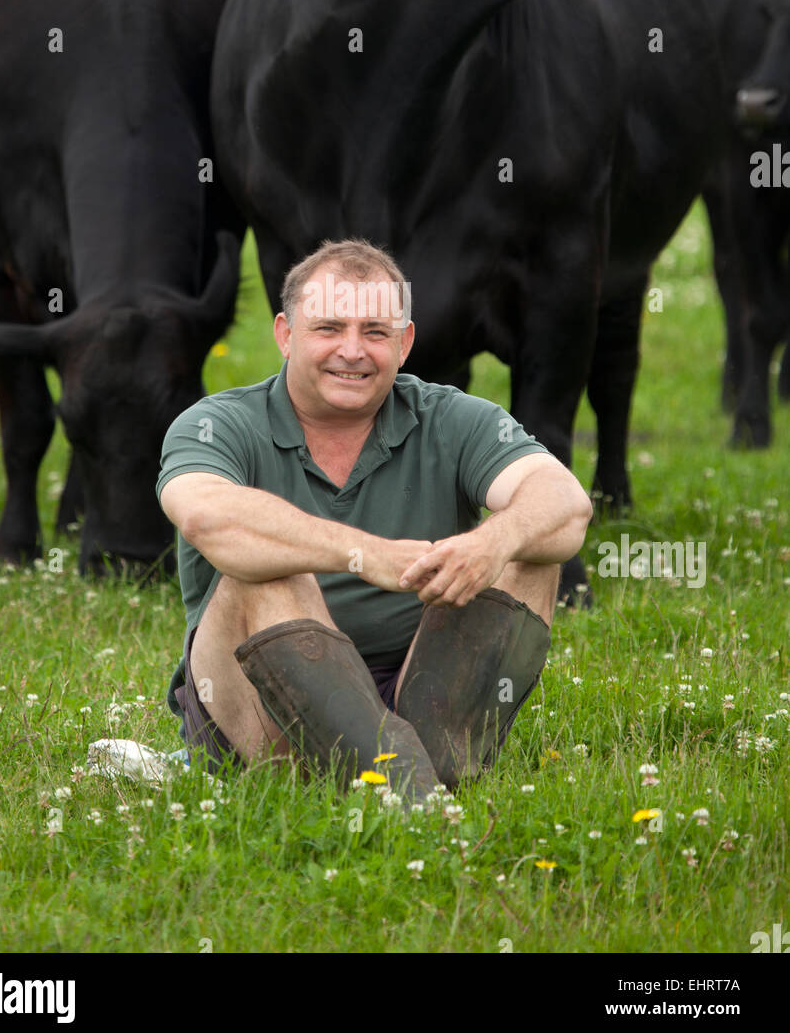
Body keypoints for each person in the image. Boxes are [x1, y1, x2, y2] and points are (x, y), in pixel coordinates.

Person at [157, 239, 591, 799]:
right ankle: (407, 788)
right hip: (261, 711)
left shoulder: (451, 416)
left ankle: (420, 765)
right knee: (264, 569)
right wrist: (367, 555)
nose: (353, 351)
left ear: (405, 343)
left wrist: (495, 542)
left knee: (532, 541)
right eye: (329, 328)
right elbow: (208, 517)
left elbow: (565, 502)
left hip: (421, 692)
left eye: (376, 332)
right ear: (286, 335)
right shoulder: (215, 423)